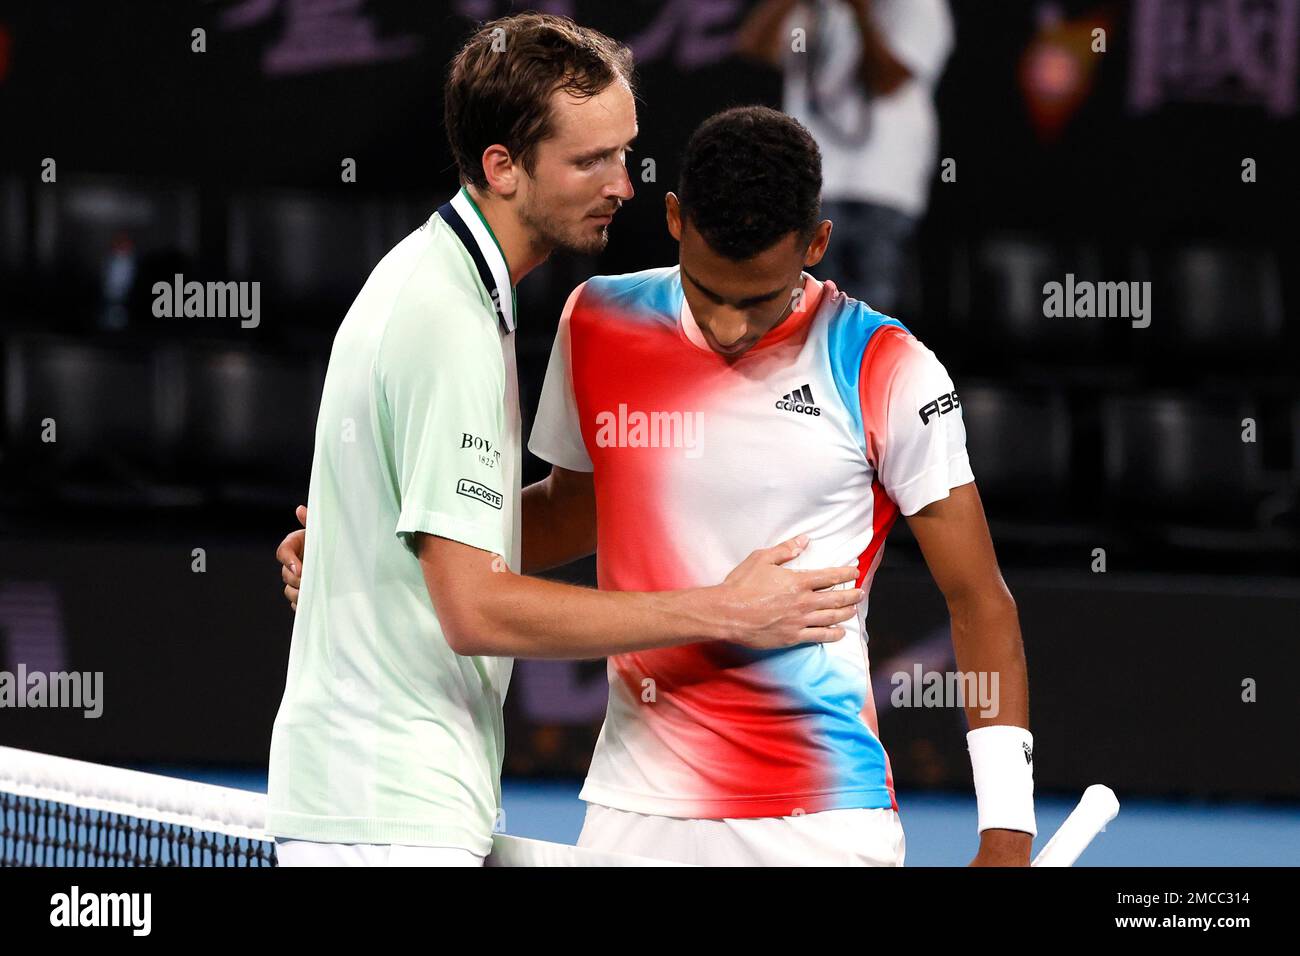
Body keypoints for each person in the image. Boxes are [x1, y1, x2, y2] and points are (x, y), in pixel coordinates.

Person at [281, 106, 1035, 866]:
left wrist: (1005, 835)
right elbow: (567, 518)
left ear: (817, 243)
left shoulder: (889, 370)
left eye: (760, 300)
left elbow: (979, 599)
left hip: (817, 817)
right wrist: (373, 551)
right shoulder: (600, 319)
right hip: (630, 807)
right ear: (674, 219)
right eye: (712, 293)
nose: (732, 328)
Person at [267, 16, 864, 868]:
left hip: (391, 804)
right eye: (590, 161)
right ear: (503, 168)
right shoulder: (447, 320)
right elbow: (475, 608)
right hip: (387, 815)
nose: (623, 185)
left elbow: (500, 530)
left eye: (624, 152)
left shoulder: (443, 285)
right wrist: (723, 610)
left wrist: (355, 554)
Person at [735, 0, 954, 313]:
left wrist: (861, 12)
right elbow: (755, 45)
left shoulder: (918, 6)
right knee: (803, 315)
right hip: (813, 185)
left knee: (868, 317)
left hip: (882, 187)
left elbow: (886, 80)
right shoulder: (818, 8)